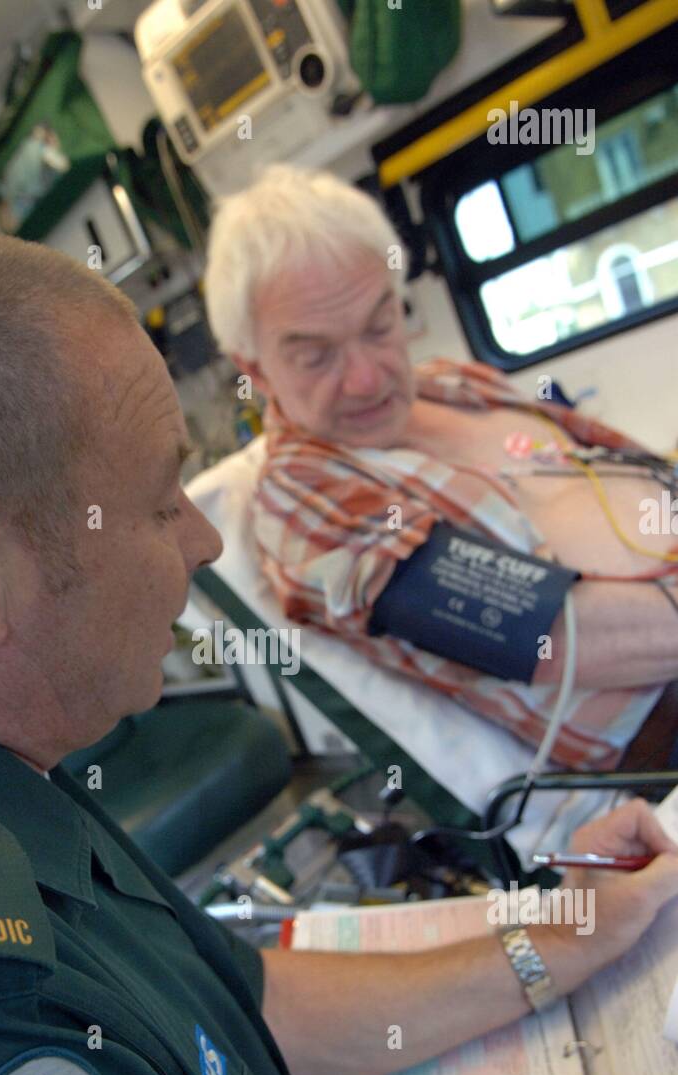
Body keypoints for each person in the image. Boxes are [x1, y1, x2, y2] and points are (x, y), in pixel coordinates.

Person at [0, 218, 676, 1075]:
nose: (203, 539)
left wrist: (553, 937)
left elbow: (250, 1002)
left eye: (381, 324)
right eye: (159, 497)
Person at [203, 164, 678, 770]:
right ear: (258, 372)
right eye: (316, 356)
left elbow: (622, 461)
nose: (368, 378)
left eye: (380, 325)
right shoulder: (303, 498)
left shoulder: (451, 383)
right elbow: (553, 635)